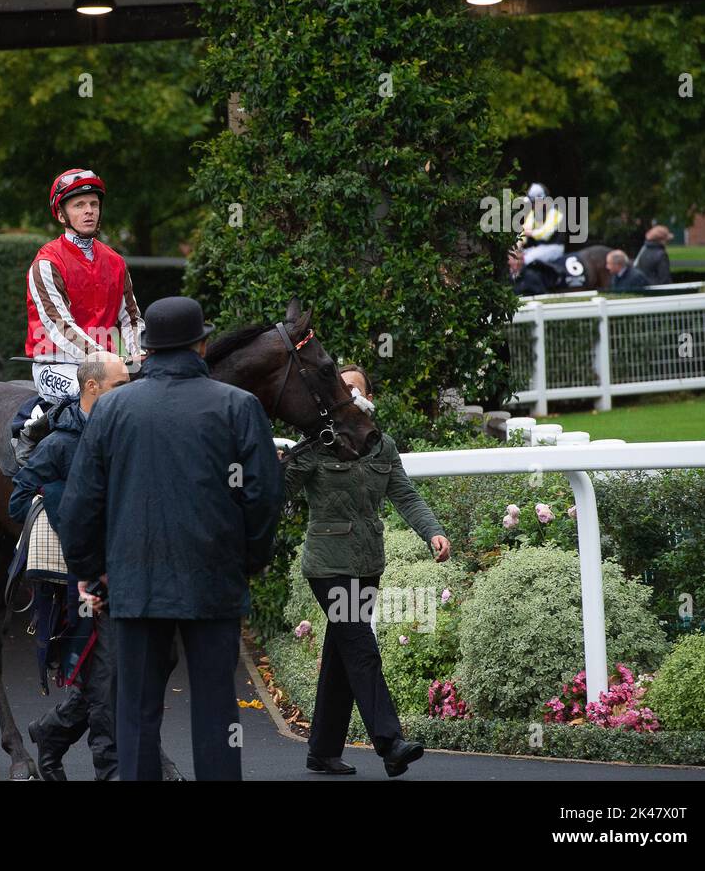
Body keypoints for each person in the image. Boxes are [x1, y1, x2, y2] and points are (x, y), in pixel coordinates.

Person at [58, 296, 284, 781]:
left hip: (133, 581)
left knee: (136, 710)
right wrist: (245, 560)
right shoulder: (238, 407)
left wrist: (91, 571)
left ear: (148, 350)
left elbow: (81, 502)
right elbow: (264, 497)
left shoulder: (113, 409)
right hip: (213, 579)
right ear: (202, 345)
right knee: (217, 711)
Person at [282, 364, 450, 778]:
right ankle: (390, 742)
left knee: (342, 655)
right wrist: (281, 463)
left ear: (369, 397)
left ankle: (321, 751)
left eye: (357, 389)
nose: (351, 396)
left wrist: (433, 533)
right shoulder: (317, 445)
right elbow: (280, 492)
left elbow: (405, 495)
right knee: (361, 648)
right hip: (327, 565)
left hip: (368, 562)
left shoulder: (381, 446)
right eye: (343, 388)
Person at [9, 352, 130, 781]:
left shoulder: (127, 433)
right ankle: (110, 771)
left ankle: (50, 732)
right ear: (92, 386)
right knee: (104, 681)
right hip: (77, 581)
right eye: (120, 384)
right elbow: (19, 499)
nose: (129, 391)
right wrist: (71, 503)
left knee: (121, 672)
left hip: (127, 573)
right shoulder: (59, 443)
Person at [24, 168, 145, 403]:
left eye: (94, 204)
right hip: (58, 365)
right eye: (79, 205)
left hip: (112, 365)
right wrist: (107, 360)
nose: (89, 211)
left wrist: (137, 352)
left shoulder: (116, 262)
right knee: (101, 396)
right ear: (61, 215)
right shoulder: (47, 263)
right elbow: (61, 327)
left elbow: (130, 319)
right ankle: (34, 429)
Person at [520, 182, 565, 266]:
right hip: (538, 248)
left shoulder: (555, 212)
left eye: (534, 202)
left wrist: (530, 233)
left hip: (554, 248)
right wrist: (517, 246)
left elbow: (545, 234)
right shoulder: (533, 213)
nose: (532, 205)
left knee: (526, 259)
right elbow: (524, 231)